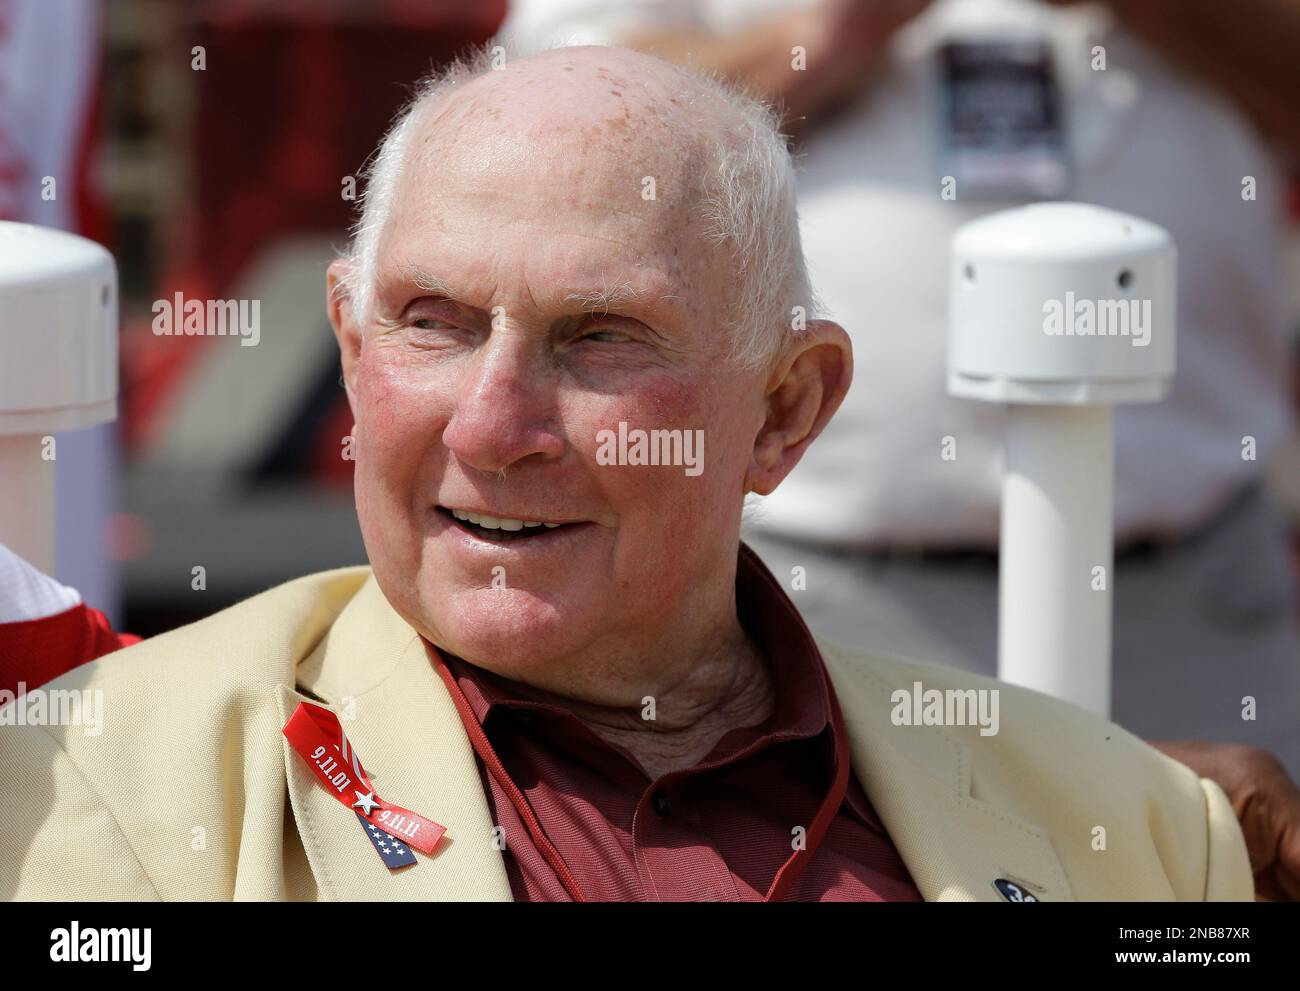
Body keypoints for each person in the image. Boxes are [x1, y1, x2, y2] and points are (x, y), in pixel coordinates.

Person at [0, 45, 1256, 901]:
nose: (494, 428)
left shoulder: (1145, 834)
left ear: (785, 408)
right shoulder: (90, 783)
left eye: (599, 336)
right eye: (431, 321)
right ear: (347, 340)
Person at [499, 0, 1300, 776]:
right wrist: (829, 35)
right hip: (811, 587)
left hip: (1199, 589)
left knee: (1224, 878)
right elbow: (553, 140)